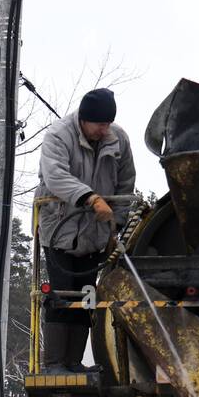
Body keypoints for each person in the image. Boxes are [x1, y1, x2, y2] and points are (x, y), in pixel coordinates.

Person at [34, 88, 136, 373]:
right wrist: (90, 198)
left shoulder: (118, 139)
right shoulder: (58, 135)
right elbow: (55, 176)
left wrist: (116, 224)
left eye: (107, 124)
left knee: (87, 296)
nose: (104, 130)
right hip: (60, 229)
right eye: (99, 124)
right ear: (84, 119)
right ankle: (54, 363)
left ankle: (74, 362)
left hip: (95, 232)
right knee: (62, 293)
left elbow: (125, 182)